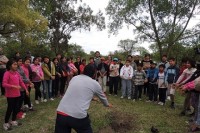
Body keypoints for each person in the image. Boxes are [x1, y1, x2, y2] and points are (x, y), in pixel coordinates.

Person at [55, 65, 111, 133]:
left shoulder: (75, 78)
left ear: (83, 71)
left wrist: (92, 98)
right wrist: (107, 104)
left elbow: (74, 91)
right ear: (94, 73)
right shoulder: (95, 83)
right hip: (78, 116)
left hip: (61, 112)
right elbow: (103, 97)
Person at [2, 59, 28, 131]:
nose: (16, 66)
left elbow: (21, 82)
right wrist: (14, 86)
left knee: (16, 108)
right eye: (14, 64)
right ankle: (6, 123)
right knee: (10, 109)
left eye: (16, 64)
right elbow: (4, 84)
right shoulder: (7, 73)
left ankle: (13, 121)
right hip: (10, 95)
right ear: (10, 66)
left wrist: (25, 89)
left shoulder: (17, 73)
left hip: (17, 94)